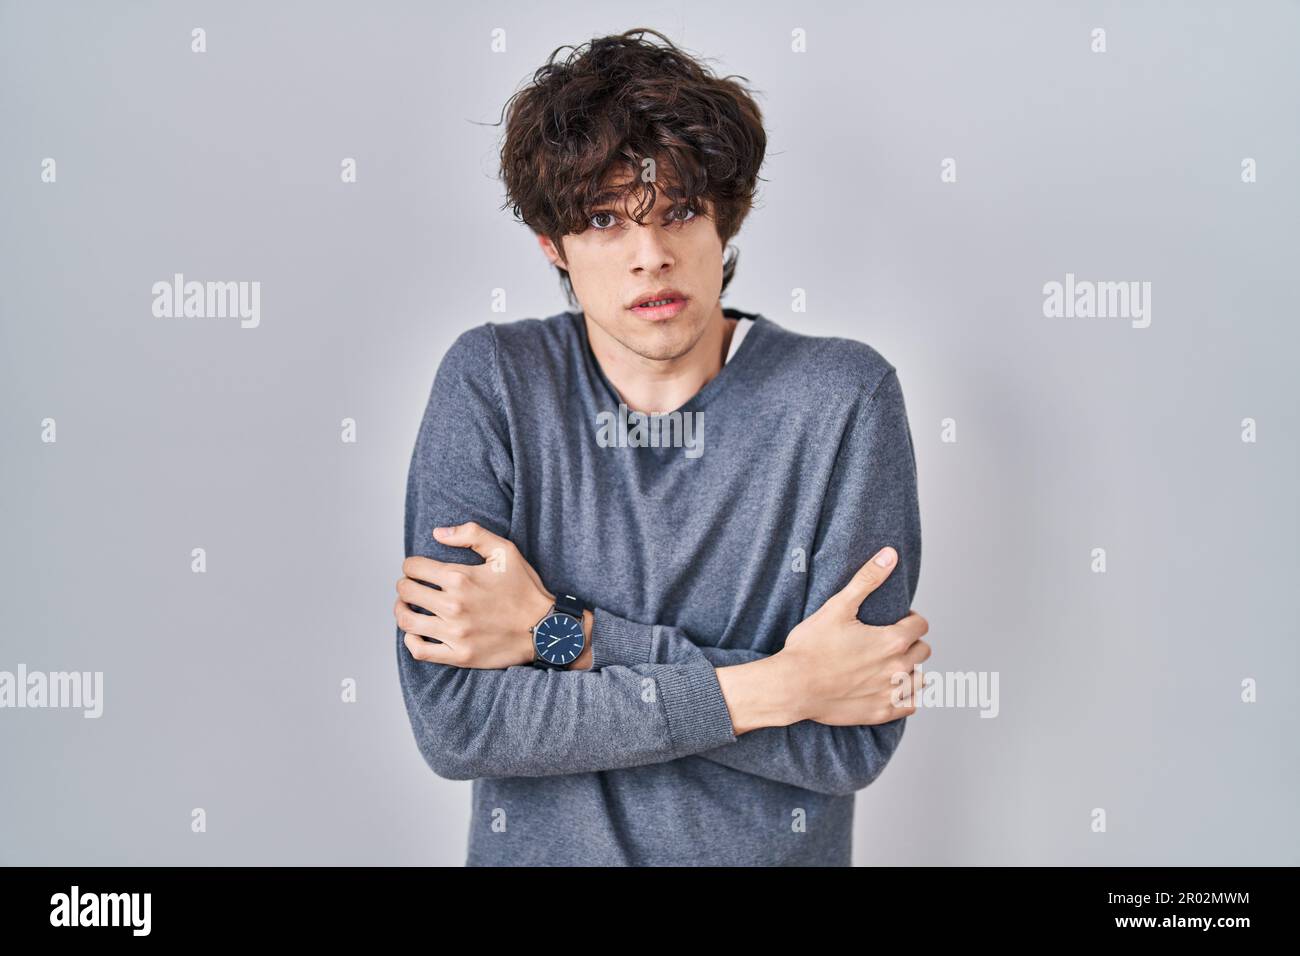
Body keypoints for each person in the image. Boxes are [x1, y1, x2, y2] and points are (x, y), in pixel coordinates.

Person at [394, 28, 930, 866]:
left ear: (726, 219)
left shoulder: (841, 401)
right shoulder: (494, 383)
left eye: (679, 210)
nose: (652, 256)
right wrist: (781, 685)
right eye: (604, 220)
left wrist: (560, 635)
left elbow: (847, 746)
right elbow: (458, 725)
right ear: (553, 247)